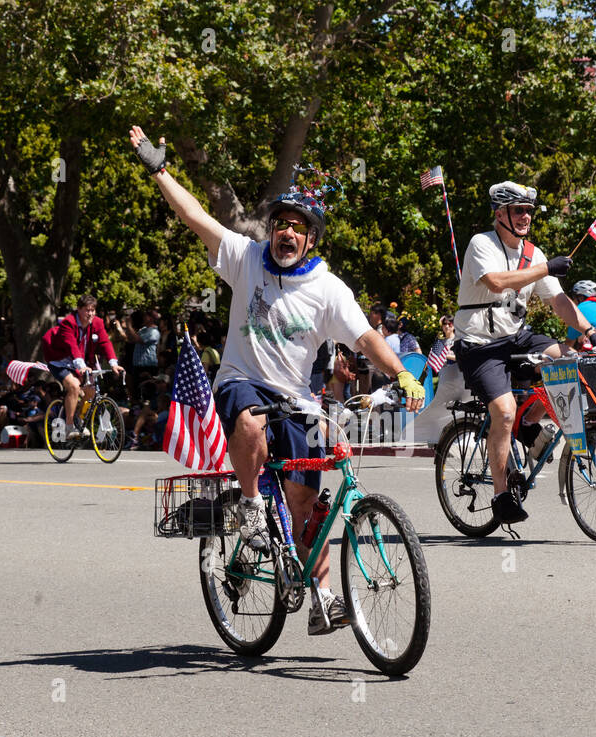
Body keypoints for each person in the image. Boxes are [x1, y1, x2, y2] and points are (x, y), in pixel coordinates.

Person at [129, 124, 423, 634]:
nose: (286, 232)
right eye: (280, 223)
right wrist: (159, 168)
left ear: (311, 239)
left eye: (297, 227)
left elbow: (365, 338)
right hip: (241, 380)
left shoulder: (328, 289)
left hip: (296, 398)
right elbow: (193, 215)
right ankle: (247, 506)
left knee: (306, 502)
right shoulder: (244, 259)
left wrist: (402, 374)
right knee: (249, 420)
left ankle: (324, 597)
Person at [451, 180, 596, 526]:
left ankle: (530, 422)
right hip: (479, 344)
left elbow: (557, 301)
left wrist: (590, 332)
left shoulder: (533, 253)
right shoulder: (482, 243)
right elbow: (496, 282)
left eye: (529, 211)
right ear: (500, 214)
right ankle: (500, 495)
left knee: (570, 359)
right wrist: (547, 268)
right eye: (518, 210)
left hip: (516, 337)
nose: (525, 217)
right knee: (503, 412)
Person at [39, 293, 123, 439]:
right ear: (78, 309)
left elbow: (105, 342)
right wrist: (81, 365)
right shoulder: (68, 323)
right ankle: (69, 426)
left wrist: (113, 363)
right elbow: (72, 345)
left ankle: (79, 419)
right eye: (86, 310)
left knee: (90, 390)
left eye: (92, 310)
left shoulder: (97, 322)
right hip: (59, 359)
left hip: (80, 360)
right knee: (74, 386)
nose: (90, 313)